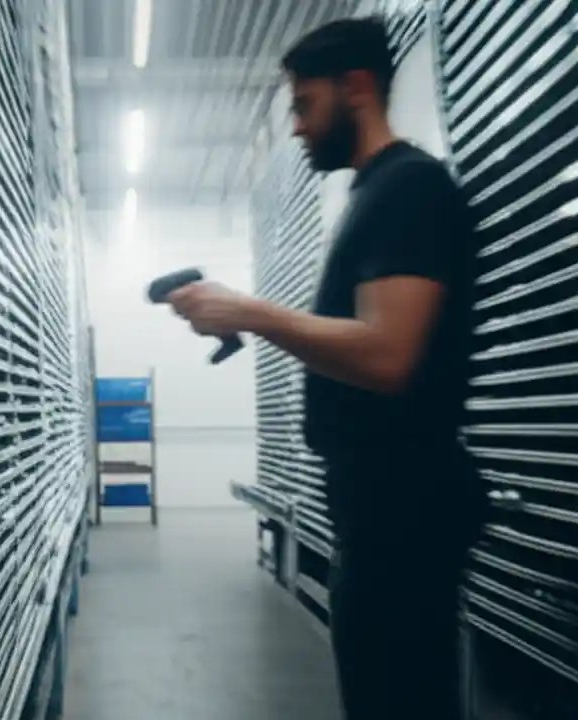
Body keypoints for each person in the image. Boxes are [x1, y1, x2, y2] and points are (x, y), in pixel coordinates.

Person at [168, 17, 486, 720]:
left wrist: (251, 312)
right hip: (379, 510)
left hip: (403, 514)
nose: (298, 127)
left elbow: (388, 354)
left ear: (356, 87)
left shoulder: (409, 190)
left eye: (304, 105)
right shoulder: (376, 195)